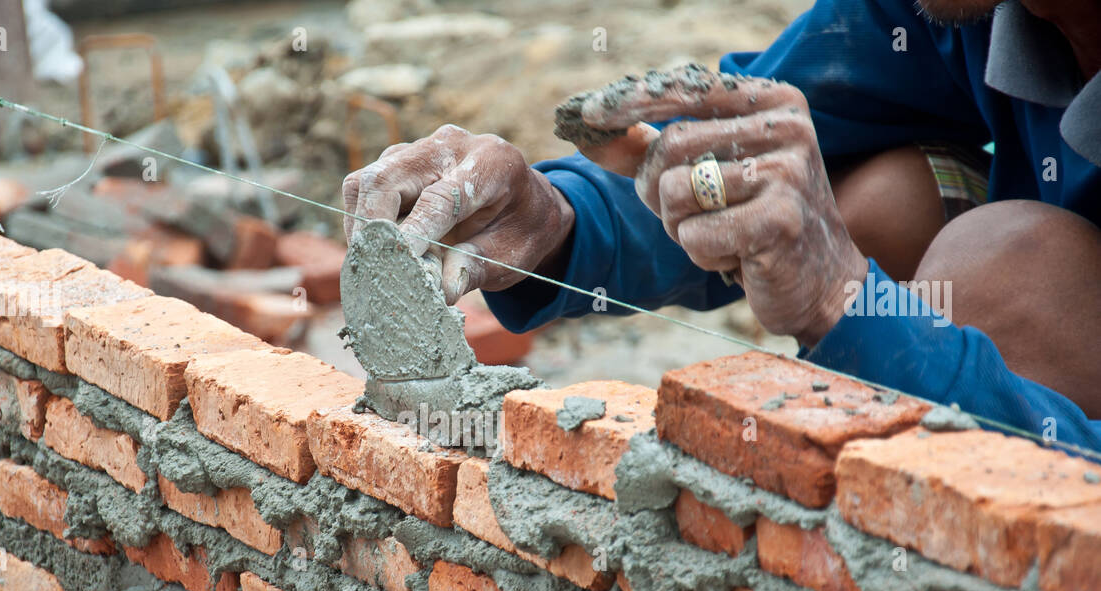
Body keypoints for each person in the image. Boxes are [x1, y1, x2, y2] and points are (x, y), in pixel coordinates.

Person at [342, 0, 1101, 453]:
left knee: (1004, 265)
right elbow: (743, 144)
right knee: (884, 195)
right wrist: (556, 217)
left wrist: (841, 302)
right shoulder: (947, 15)